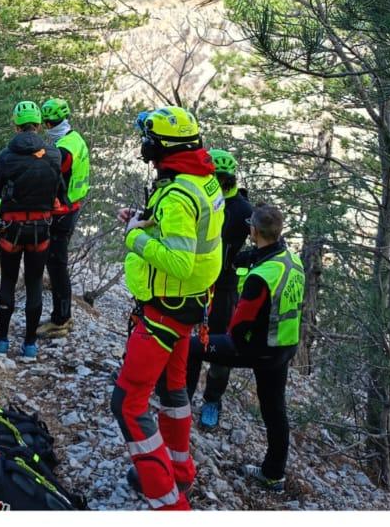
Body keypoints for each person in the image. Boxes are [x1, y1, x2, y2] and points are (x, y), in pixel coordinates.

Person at [111, 106, 225, 510]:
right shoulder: (201, 179)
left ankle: (169, 503)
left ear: (156, 147)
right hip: (189, 307)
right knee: (173, 390)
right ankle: (179, 472)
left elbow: (179, 260)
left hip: (165, 310)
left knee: (126, 403)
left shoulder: (178, 193)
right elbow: (189, 235)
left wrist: (133, 238)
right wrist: (145, 220)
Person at [187, 203, 304, 493]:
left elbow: (238, 327)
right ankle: (273, 475)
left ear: (252, 230)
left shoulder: (259, 278)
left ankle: (179, 409)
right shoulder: (291, 259)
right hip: (284, 346)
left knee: (192, 347)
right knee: (275, 411)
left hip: (255, 349)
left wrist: (223, 341)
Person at [0, 100, 62, 360]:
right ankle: (30, 345)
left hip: (11, 229)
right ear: (39, 124)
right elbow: (59, 192)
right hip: (41, 229)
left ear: (16, 126)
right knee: (33, 283)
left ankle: (2, 340)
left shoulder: (7, 156)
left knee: (8, 280)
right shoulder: (53, 154)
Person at [194, 148, 253, 429]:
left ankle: (212, 399)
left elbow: (265, 240)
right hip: (196, 280)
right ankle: (182, 391)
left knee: (221, 344)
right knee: (191, 337)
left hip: (226, 286)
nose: (216, 181)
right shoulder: (202, 196)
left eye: (221, 177)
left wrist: (245, 260)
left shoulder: (243, 211)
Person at [35, 98, 89, 339]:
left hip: (62, 212)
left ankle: (61, 319)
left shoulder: (64, 149)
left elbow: (55, 176)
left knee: (57, 266)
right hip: (72, 205)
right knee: (58, 264)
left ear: (47, 123)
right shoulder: (74, 138)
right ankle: (62, 315)